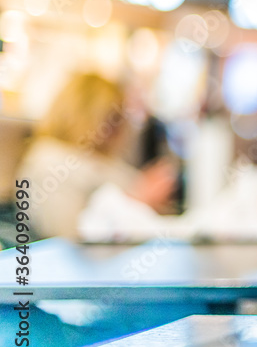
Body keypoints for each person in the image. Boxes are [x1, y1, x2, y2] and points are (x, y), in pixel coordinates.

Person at [15, 73, 177, 240]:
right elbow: (68, 238)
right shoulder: (51, 164)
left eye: (120, 118)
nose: (118, 128)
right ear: (85, 113)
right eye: (111, 118)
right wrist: (140, 200)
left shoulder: (106, 163)